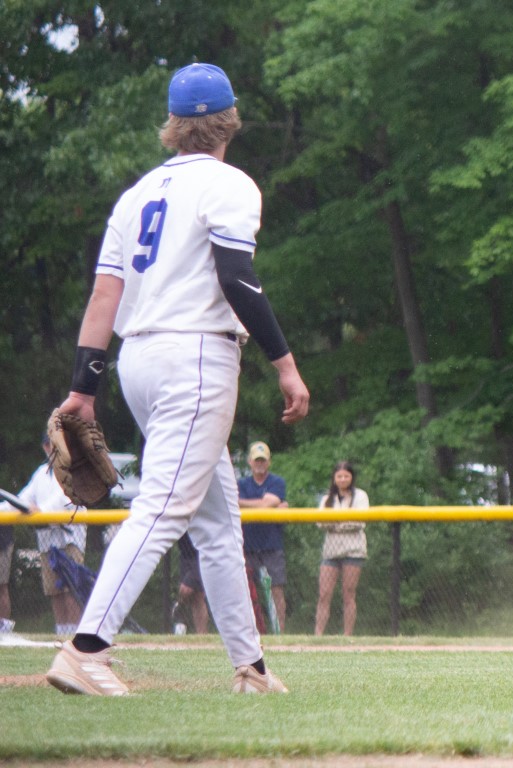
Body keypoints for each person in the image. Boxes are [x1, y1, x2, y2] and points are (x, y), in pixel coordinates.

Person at [46, 62, 310, 696]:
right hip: (196, 357)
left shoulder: (137, 195)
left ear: (174, 126)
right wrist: (286, 365)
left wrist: (84, 388)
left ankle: (251, 668)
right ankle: (86, 650)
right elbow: (236, 277)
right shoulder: (230, 184)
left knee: (217, 521)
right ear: (230, 122)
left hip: (138, 361)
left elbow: (105, 296)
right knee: (164, 507)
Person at [14, 434, 88, 636]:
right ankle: (61, 632)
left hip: (70, 539)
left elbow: (64, 497)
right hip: (47, 541)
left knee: (70, 588)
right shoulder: (41, 473)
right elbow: (24, 499)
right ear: (44, 447)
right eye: (47, 444)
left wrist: (41, 510)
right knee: (54, 590)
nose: (50, 448)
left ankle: (74, 634)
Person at [315, 461, 369, 636]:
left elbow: (359, 522)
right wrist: (342, 522)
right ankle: (318, 635)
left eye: (346, 475)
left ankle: (347, 636)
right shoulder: (327, 499)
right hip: (331, 551)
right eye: (339, 476)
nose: (343, 479)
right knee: (324, 594)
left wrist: (335, 524)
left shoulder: (360, 496)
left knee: (348, 594)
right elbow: (320, 522)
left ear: (351, 477)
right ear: (334, 478)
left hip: (353, 550)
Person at [239, 441, 288, 633]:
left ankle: (280, 632)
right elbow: (266, 504)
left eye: (263, 460)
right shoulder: (242, 484)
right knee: (247, 593)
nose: (259, 464)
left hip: (271, 544)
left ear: (269, 462)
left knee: (276, 589)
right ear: (250, 462)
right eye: (256, 460)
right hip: (248, 545)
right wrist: (268, 504)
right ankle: (250, 632)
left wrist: (245, 503)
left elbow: (268, 504)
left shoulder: (276, 482)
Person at [174, 535, 210, 634]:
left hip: (202, 553)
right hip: (185, 554)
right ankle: (202, 636)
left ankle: (179, 607)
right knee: (197, 598)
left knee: (186, 589)